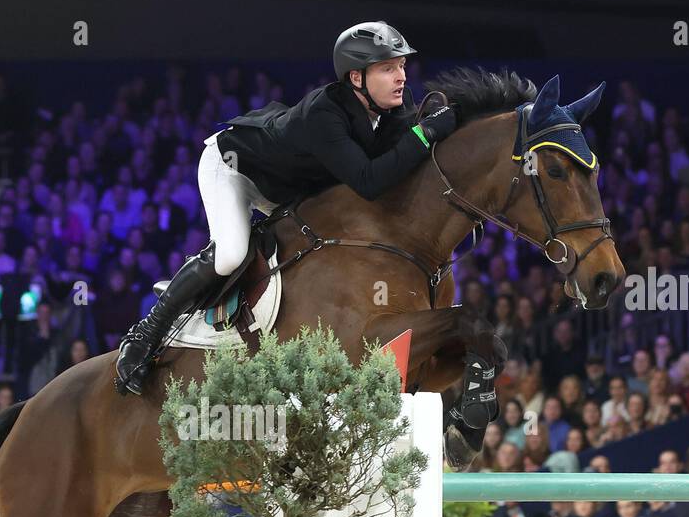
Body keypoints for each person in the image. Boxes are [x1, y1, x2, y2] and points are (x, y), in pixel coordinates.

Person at [114, 20, 456, 395]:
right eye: (388, 68)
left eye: (402, 66)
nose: (401, 76)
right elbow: (370, 181)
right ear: (356, 78)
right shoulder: (325, 113)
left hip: (291, 187)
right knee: (231, 254)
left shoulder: (390, 107)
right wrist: (427, 133)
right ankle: (144, 336)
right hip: (234, 166)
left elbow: (401, 164)